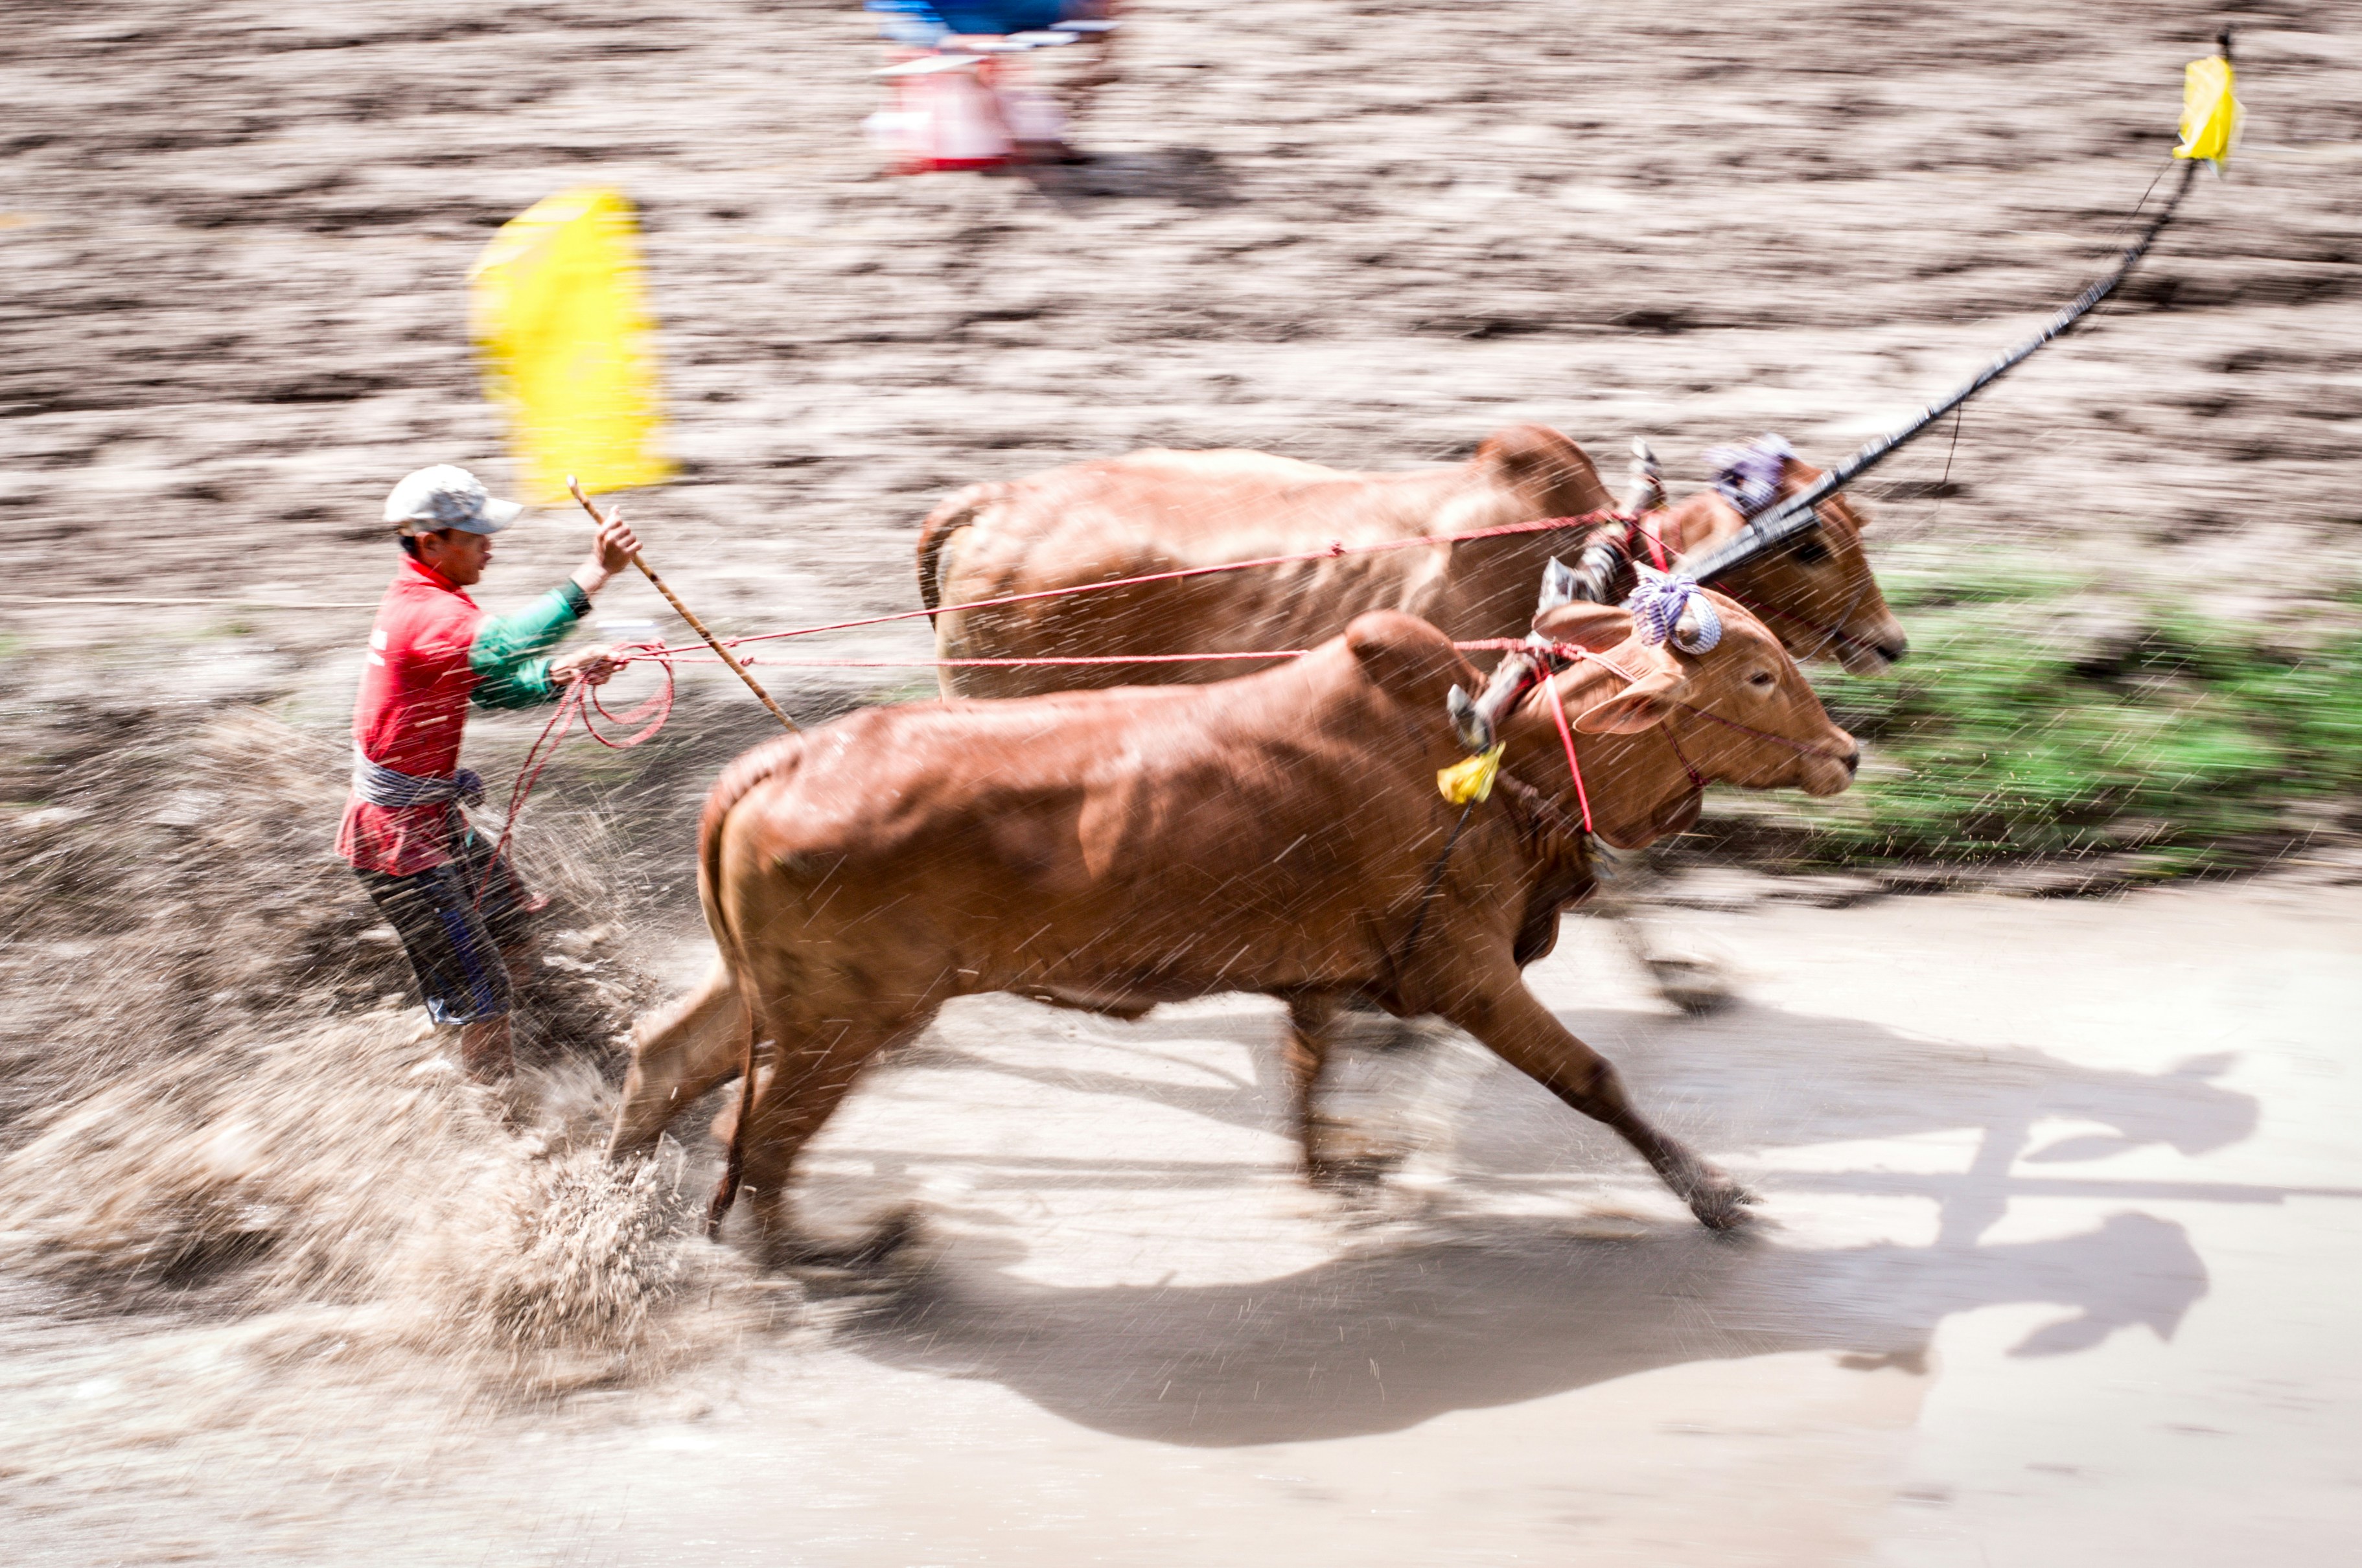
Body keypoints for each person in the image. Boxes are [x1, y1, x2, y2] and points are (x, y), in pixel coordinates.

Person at [340, 465, 639, 1082]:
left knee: (513, 930)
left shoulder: (438, 604)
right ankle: (494, 1111)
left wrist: (562, 674)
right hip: (399, 843)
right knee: (484, 994)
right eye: (476, 538)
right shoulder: (425, 614)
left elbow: (495, 689)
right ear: (432, 544)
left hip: (433, 821)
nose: (489, 549)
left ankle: (500, 1057)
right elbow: (503, 646)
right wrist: (596, 573)